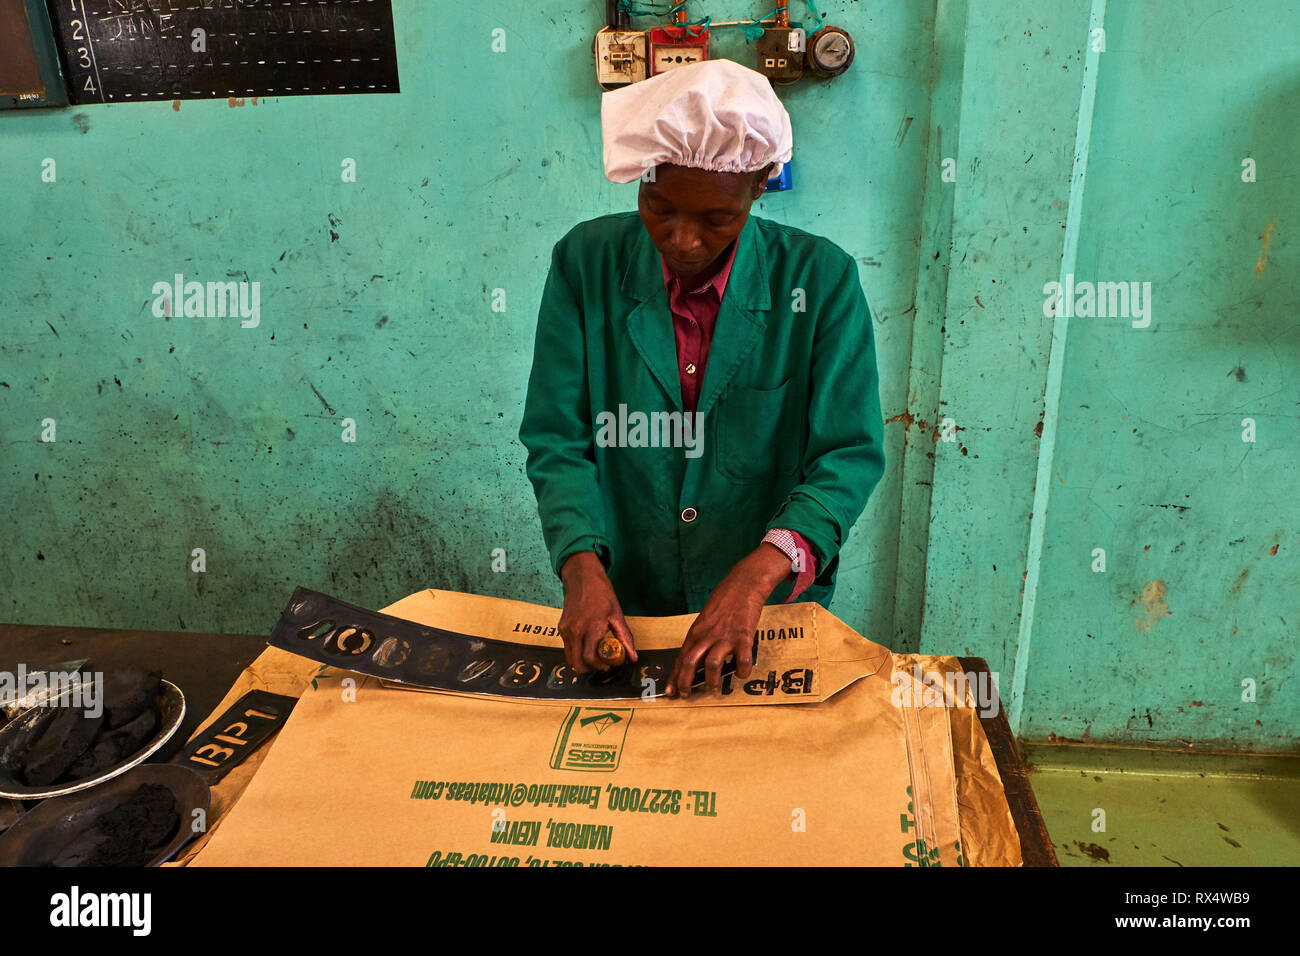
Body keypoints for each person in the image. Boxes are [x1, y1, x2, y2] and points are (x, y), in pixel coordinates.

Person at [519, 59, 884, 698]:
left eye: (717, 219)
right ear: (642, 177)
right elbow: (558, 437)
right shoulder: (585, 263)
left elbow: (847, 455)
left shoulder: (821, 282)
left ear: (761, 186)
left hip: (769, 610)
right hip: (633, 599)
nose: (683, 240)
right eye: (658, 207)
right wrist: (580, 566)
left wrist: (754, 578)